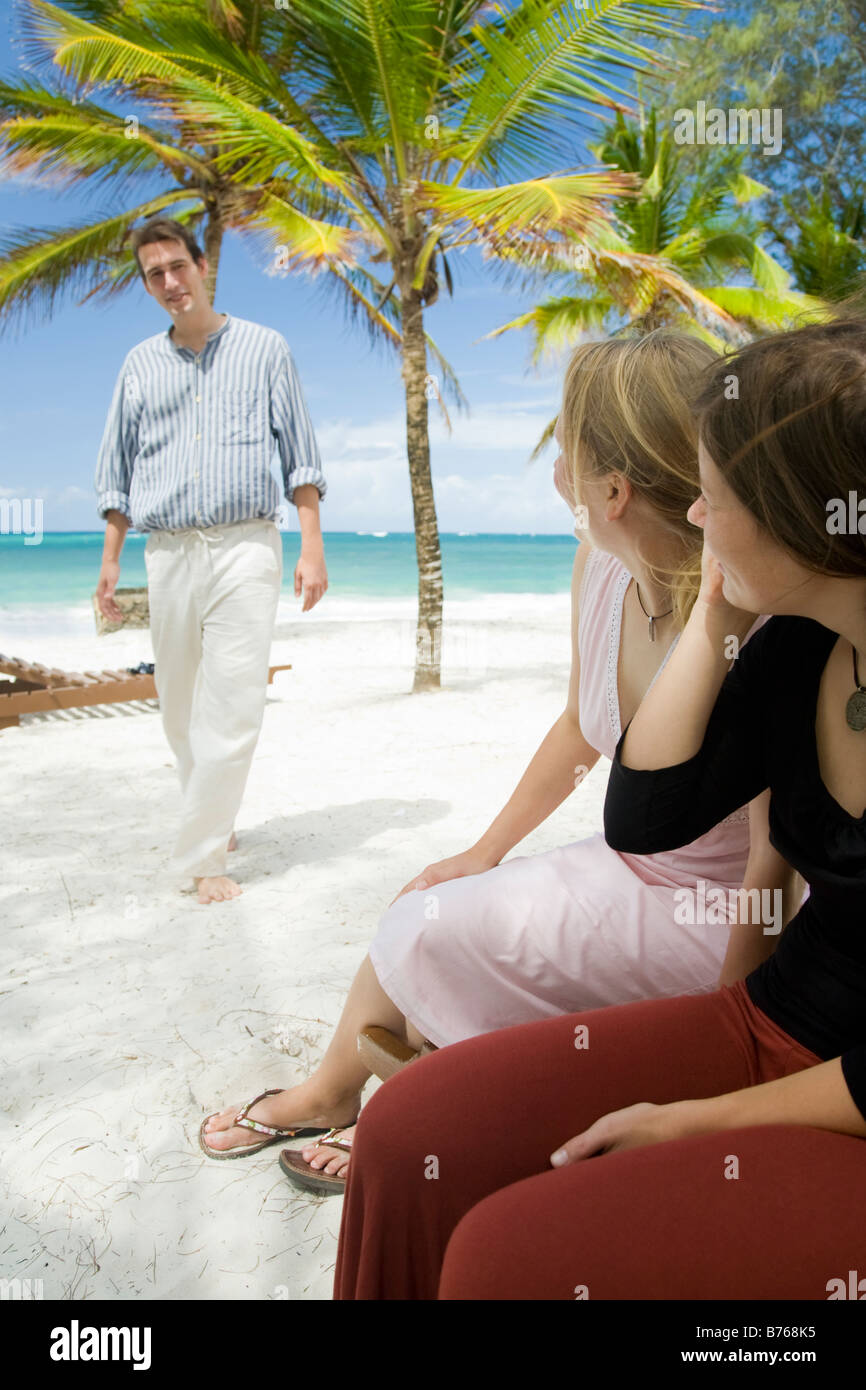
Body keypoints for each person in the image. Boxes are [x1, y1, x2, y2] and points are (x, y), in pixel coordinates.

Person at [332, 316, 866, 1300]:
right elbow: (645, 811)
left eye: (717, 494)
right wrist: (711, 614)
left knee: (502, 1261)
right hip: (780, 1020)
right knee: (409, 1136)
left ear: (806, 516)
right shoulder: (803, 643)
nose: (694, 515)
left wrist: (697, 1118)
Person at [200, 332, 794, 1182]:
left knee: (433, 927)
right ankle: (338, 1086)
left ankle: (411, 1106)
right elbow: (579, 731)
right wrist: (483, 851)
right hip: (629, 869)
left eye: (565, 444)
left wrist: (735, 1023)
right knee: (437, 898)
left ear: (613, 489)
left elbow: (774, 855)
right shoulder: (601, 564)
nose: (553, 462)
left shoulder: (752, 614)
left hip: (713, 913)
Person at [94, 217, 328, 905]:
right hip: (165, 553)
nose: (170, 283)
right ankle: (214, 818)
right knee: (179, 708)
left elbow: (301, 457)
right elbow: (117, 469)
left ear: (202, 266)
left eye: (177, 267)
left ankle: (204, 859)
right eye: (154, 275)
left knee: (231, 702)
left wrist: (312, 546)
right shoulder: (138, 365)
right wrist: (110, 563)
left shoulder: (265, 348)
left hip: (246, 546)